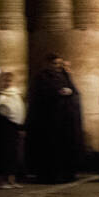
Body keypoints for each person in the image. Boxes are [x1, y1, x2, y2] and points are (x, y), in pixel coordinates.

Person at [26, 54, 79, 183]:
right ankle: (49, 175)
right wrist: (57, 93)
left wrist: (69, 91)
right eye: (55, 64)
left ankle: (65, 173)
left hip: (63, 119)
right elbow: (39, 95)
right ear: (49, 64)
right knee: (49, 149)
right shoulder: (41, 77)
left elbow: (73, 89)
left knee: (63, 148)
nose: (58, 66)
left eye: (60, 64)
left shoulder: (63, 75)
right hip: (48, 120)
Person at [0, 69, 26, 188]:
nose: (7, 83)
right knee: (2, 153)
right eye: (5, 80)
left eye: (9, 81)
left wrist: (21, 128)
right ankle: (1, 180)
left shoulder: (16, 94)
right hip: (1, 128)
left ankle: (12, 179)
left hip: (13, 127)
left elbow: (20, 111)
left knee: (13, 153)